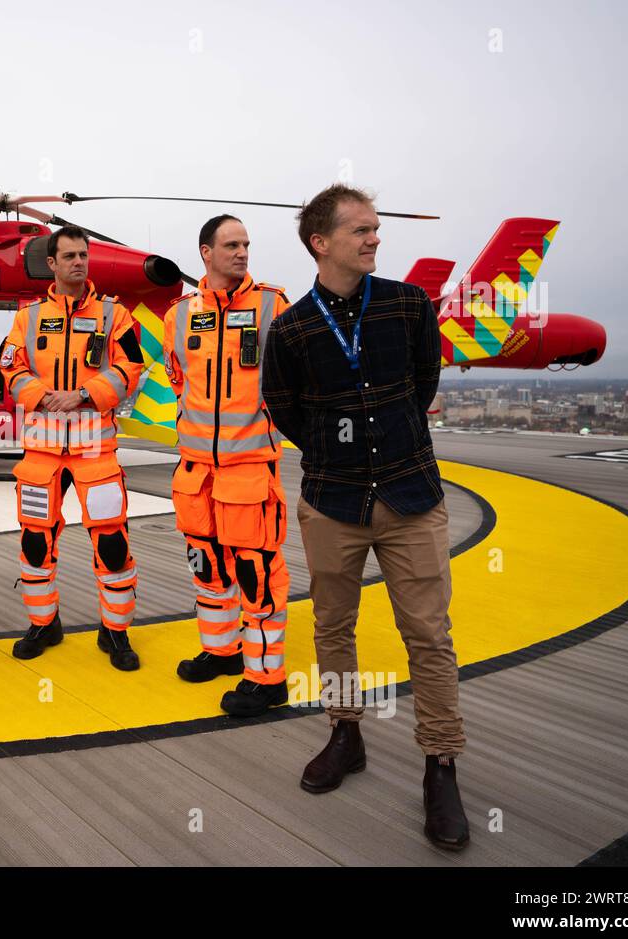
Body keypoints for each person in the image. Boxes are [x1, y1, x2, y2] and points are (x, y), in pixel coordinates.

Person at [261, 183, 470, 850]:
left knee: (429, 635)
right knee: (333, 626)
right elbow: (287, 409)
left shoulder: (409, 307)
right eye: (361, 230)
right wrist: (336, 451)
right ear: (321, 243)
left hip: (411, 496)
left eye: (376, 229)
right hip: (333, 502)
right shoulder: (291, 329)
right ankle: (345, 734)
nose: (375, 238)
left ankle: (441, 765)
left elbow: (423, 383)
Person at [162, 215, 293, 717]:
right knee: (207, 567)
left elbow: (290, 379)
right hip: (196, 470)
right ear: (205, 253)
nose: (242, 253)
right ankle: (222, 650)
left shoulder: (271, 305)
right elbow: (180, 382)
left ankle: (266, 679)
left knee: (256, 574)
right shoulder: (179, 314)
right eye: (231, 245)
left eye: (246, 244)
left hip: (249, 468)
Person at [0, 226, 146, 670]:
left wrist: (83, 394)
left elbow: (133, 364)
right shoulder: (27, 317)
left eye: (83, 255)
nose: (78, 262)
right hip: (42, 455)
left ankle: (115, 632)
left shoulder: (113, 316)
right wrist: (42, 396)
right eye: (69, 256)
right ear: (52, 264)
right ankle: (44, 623)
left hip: (94, 454)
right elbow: (10, 366)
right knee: (35, 544)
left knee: (112, 545)